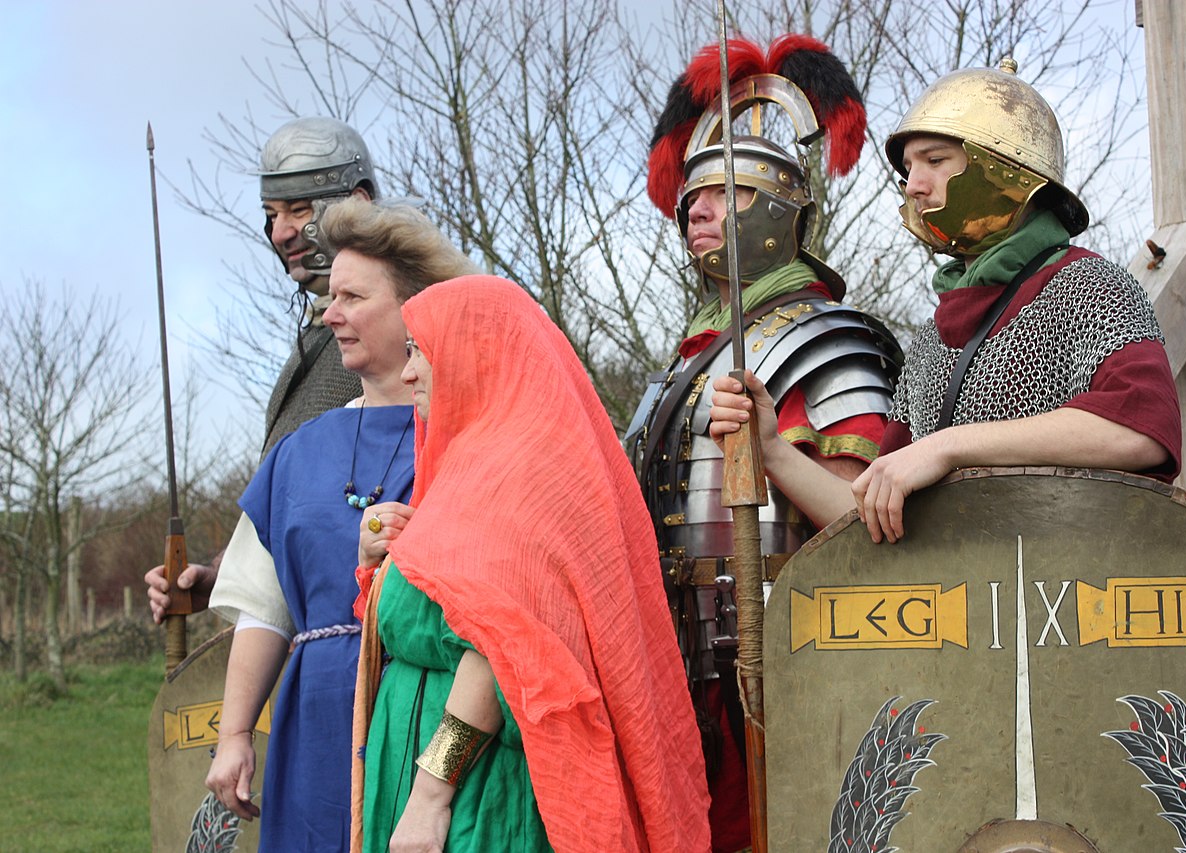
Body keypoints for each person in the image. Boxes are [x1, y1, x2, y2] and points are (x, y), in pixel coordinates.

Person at [710, 58, 1182, 546]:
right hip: (961, 612)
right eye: (909, 169)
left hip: (1073, 604)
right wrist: (772, 450)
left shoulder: (1087, 286)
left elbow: (1142, 433)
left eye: (935, 161)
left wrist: (950, 446)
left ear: (1004, 170)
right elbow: (872, 517)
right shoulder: (936, 337)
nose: (913, 185)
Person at [629, 35, 902, 852]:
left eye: (720, 193)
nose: (694, 211)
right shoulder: (687, 362)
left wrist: (774, 453)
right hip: (680, 673)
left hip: (781, 668)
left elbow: (864, 527)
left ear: (779, 209)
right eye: (690, 199)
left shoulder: (827, 342)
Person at [352, 276, 711, 852]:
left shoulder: (521, 471)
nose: (408, 372)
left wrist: (431, 796)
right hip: (415, 766)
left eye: (422, 350)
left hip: (478, 791)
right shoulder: (466, 466)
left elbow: (502, 649)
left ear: (479, 351)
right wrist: (381, 561)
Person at [202, 199, 478, 851]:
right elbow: (266, 609)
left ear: (413, 307)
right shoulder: (297, 452)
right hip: (316, 714)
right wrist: (235, 735)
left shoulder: (470, 434)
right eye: (331, 296)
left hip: (425, 707)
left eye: (352, 296)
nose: (331, 314)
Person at [146, 116, 383, 621]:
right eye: (272, 214)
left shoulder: (406, 330)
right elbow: (288, 509)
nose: (281, 232)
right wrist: (222, 577)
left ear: (358, 204)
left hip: (368, 629)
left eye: (299, 209)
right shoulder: (317, 341)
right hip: (303, 632)